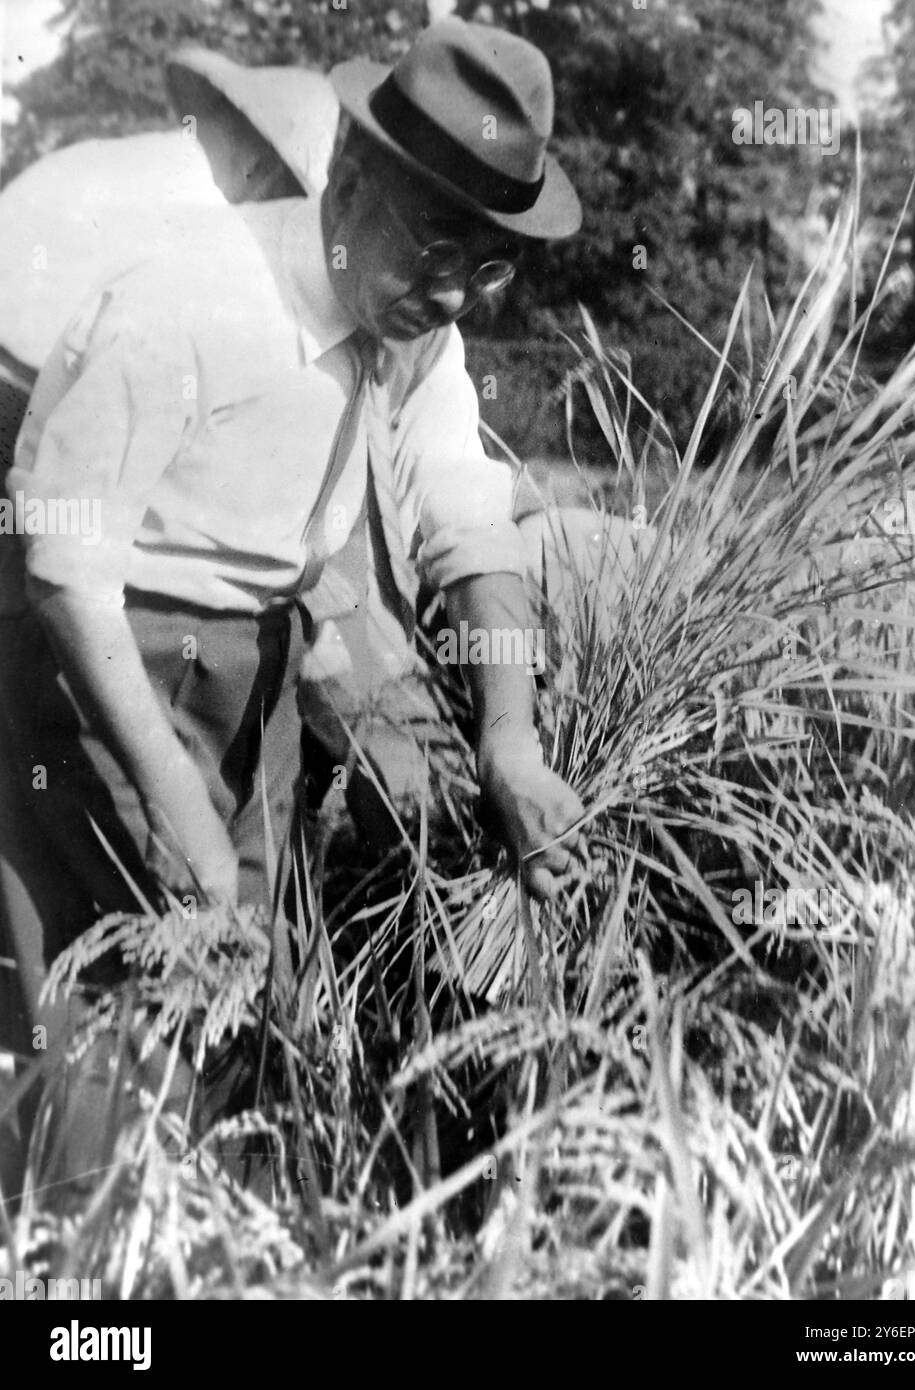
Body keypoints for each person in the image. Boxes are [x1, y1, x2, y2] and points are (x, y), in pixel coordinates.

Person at [0, 18, 588, 1192]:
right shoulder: (192, 300)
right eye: (436, 248)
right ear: (355, 180)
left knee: (232, 975)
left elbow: (466, 518)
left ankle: (214, 1237)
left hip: (252, 658)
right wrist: (177, 803)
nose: (455, 293)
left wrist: (509, 738)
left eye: (488, 266)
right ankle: (82, 1275)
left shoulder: (422, 321)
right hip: (100, 663)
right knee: (106, 992)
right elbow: (64, 563)